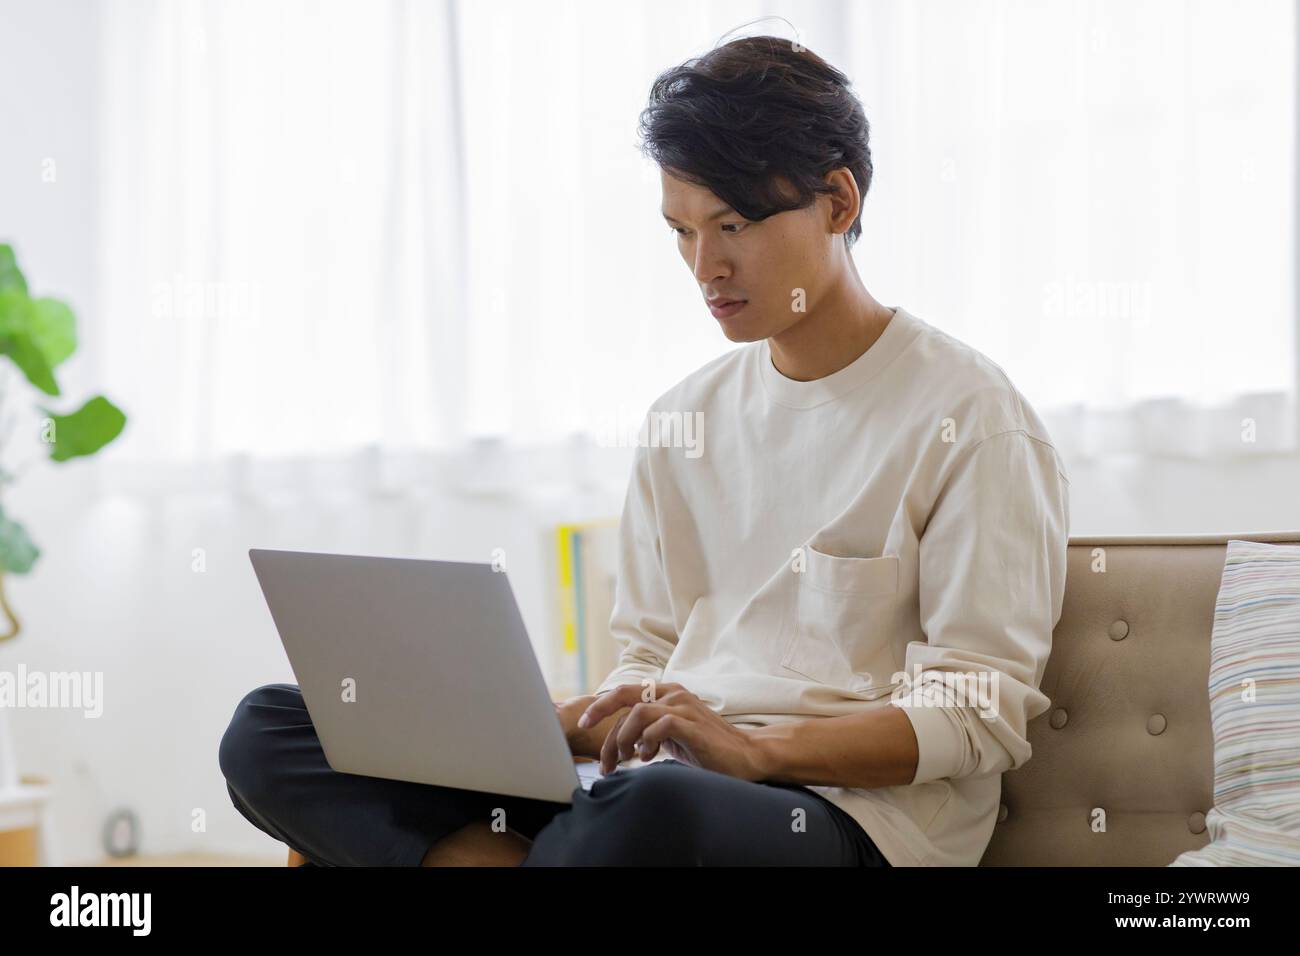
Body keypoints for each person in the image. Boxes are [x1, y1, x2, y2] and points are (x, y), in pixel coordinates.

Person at [220, 33, 1068, 867]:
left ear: (839, 203)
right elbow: (649, 653)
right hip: (654, 781)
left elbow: (973, 713)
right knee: (275, 728)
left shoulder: (972, 418)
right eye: (681, 231)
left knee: (654, 812)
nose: (706, 267)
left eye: (733, 224)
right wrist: (586, 715)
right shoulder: (684, 417)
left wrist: (756, 750)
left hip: (844, 816)